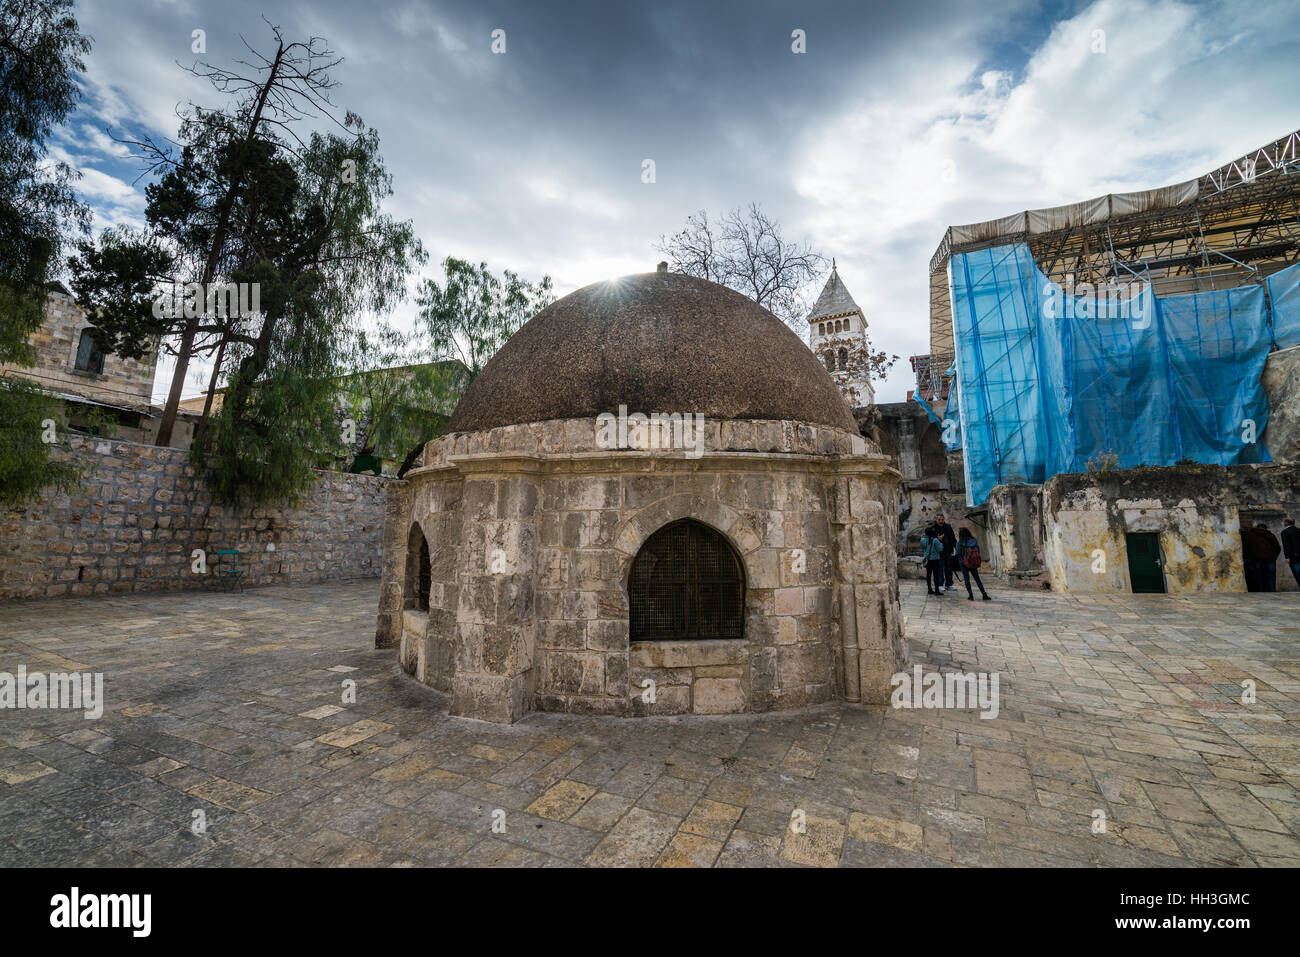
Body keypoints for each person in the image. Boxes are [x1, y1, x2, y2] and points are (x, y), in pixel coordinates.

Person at [1241, 522, 1281, 592]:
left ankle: (1260, 590)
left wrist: (1251, 556)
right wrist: (1274, 556)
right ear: (1265, 528)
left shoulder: (1250, 535)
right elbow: (1277, 548)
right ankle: (1272, 591)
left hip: (1257, 558)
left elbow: (1246, 547)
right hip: (1270, 559)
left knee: (1258, 575)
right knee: (1271, 576)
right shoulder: (1270, 535)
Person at [955, 527, 991, 601]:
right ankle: (984, 594)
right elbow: (978, 551)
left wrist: (961, 561)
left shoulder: (959, 543)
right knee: (977, 579)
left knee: (966, 579)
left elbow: (958, 554)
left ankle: (971, 595)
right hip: (973, 562)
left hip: (964, 563)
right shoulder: (974, 541)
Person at [933, 512, 957, 591]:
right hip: (939, 552)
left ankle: (949, 584)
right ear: (936, 520)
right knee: (940, 568)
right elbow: (930, 539)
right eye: (939, 519)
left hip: (948, 551)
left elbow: (953, 538)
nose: (941, 521)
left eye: (942, 519)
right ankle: (940, 584)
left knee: (949, 568)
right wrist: (937, 538)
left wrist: (956, 547)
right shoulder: (933, 528)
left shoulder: (948, 527)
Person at [920, 523, 945, 595]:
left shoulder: (923, 540)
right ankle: (936, 590)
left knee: (928, 575)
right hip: (935, 560)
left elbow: (922, 547)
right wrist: (941, 544)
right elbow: (940, 549)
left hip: (928, 559)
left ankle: (929, 589)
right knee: (936, 575)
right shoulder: (935, 540)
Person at [1282, 517, 1300, 589]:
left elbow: (1286, 545)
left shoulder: (1285, 532)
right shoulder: (1298, 530)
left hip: (1293, 556)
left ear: (1286, 522)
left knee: (1297, 573)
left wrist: (1287, 557)